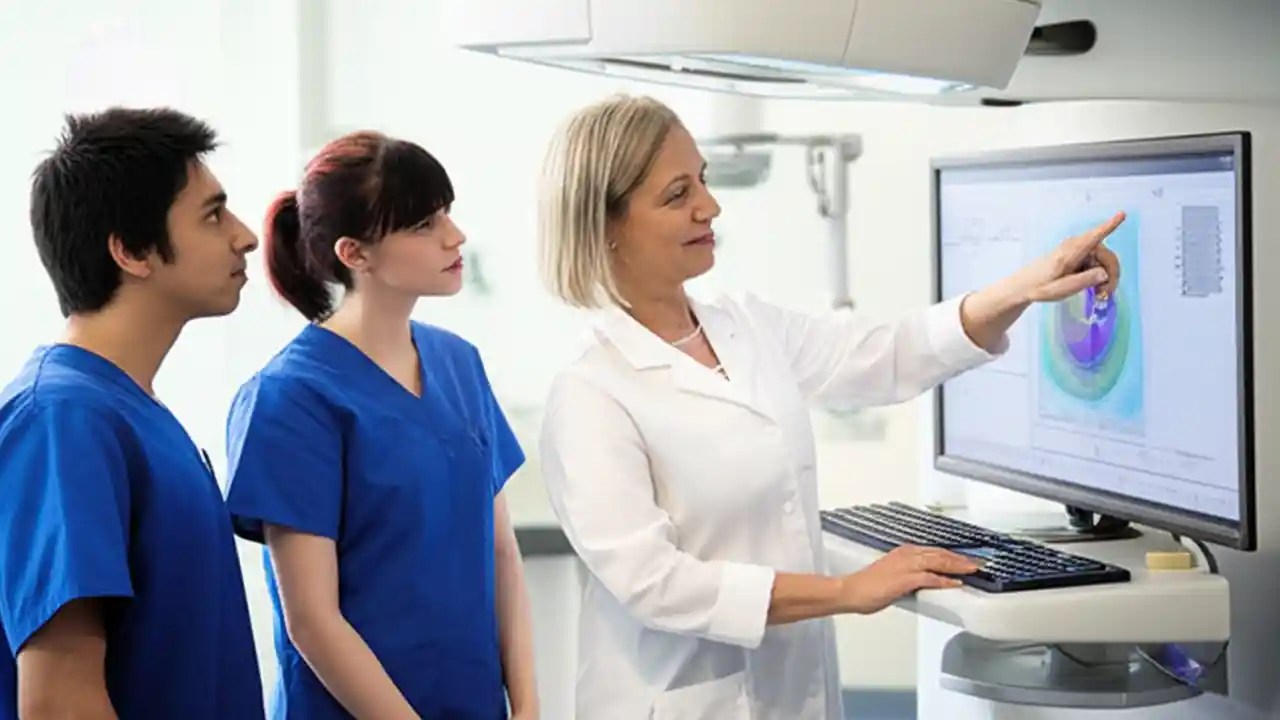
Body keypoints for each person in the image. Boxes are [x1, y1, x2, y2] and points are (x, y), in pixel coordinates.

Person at [536, 94, 1123, 720]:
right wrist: (845, 592)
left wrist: (1028, 287)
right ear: (607, 226)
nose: (710, 206)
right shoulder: (592, 393)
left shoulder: (744, 325)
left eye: (702, 180)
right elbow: (655, 584)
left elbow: (891, 353)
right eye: (677, 195)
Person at [223, 130, 538, 720]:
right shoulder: (291, 397)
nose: (454, 236)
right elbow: (312, 621)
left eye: (447, 213)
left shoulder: (459, 364)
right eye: (423, 224)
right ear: (355, 253)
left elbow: (501, 554)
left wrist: (526, 706)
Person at [0, 108, 264, 719]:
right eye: (213, 215)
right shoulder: (61, 420)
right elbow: (61, 703)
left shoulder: (133, 415)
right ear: (132, 251)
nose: (245, 236)